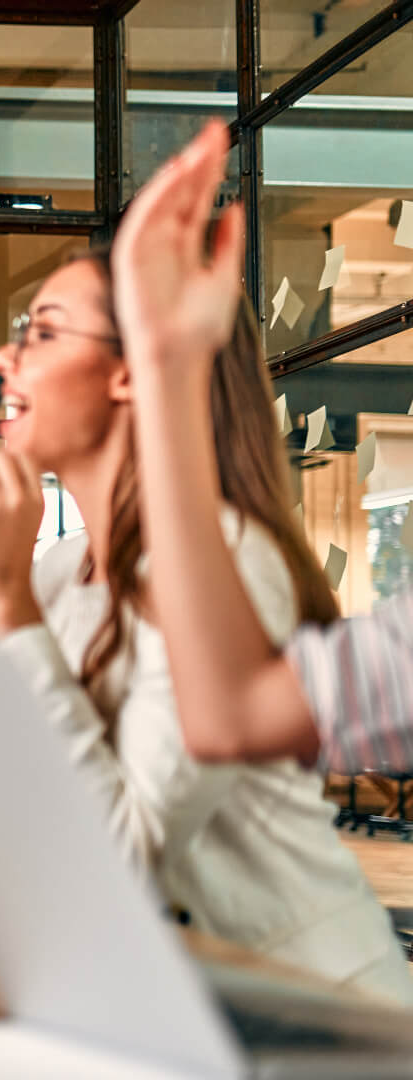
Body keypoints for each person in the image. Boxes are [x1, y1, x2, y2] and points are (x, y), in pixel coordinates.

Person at [0, 227, 413, 1000]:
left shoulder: (225, 563)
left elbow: (119, 861)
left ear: (135, 372)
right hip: (169, 1007)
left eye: (41, 333)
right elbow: (1, 819)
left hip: (317, 1019)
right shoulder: (60, 572)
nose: (4, 360)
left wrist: (7, 607)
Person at [114, 119, 413, 777]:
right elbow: (232, 715)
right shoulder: (70, 568)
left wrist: (169, 363)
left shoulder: (242, 556)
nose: (5, 358)